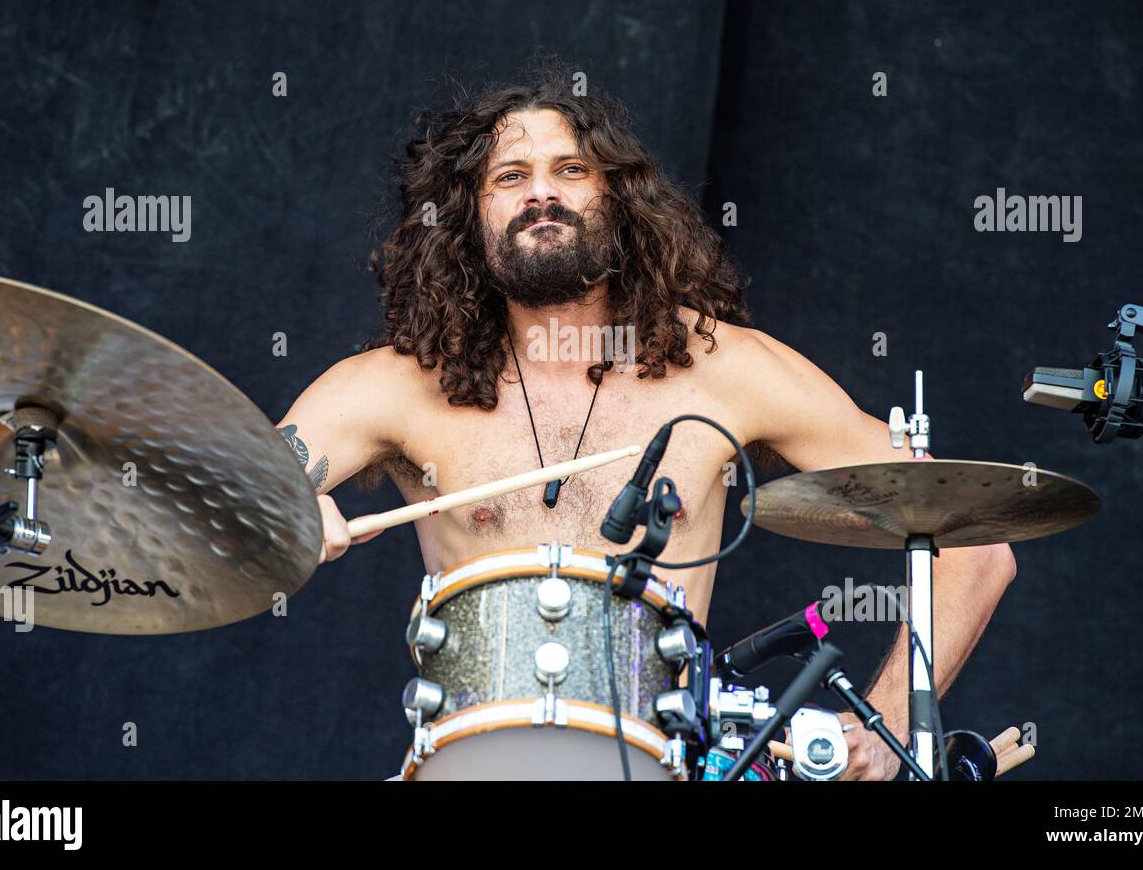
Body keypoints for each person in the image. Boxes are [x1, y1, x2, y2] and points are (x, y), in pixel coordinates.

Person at [276, 68, 1022, 780]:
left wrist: (886, 725)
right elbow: (216, 500)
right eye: (510, 177)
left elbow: (975, 545)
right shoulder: (401, 384)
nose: (542, 193)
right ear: (469, 216)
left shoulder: (724, 369)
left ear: (618, 198)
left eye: (571, 170)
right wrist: (282, 512)